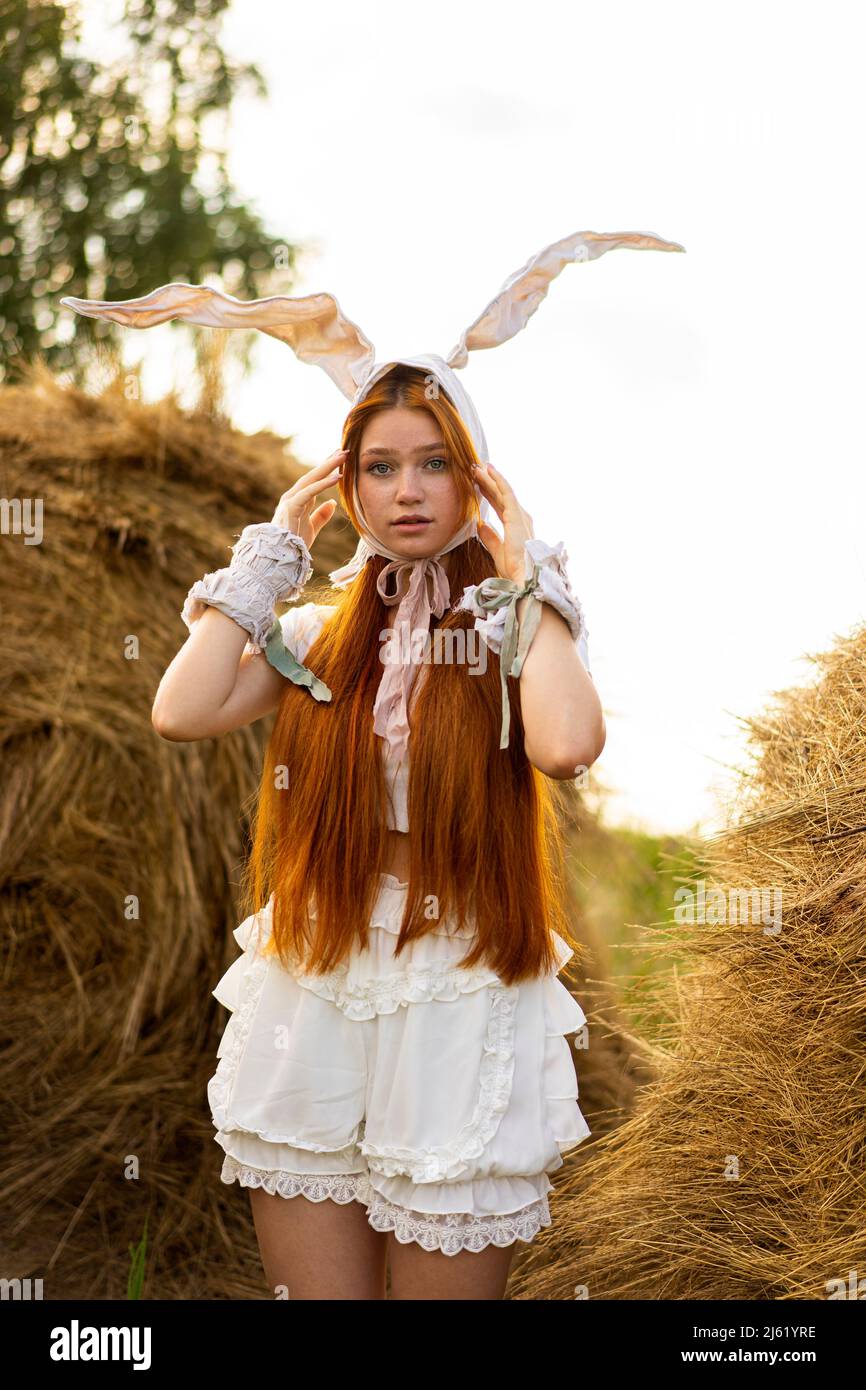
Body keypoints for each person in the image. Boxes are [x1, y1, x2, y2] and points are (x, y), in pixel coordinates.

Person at [63, 226, 682, 1299]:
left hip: (461, 981)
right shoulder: (312, 637)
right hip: (316, 971)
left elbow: (567, 743)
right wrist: (271, 548)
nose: (406, 490)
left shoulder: (507, 629)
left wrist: (525, 571)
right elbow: (182, 706)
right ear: (345, 484)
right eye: (379, 465)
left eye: (434, 463)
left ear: (472, 478)